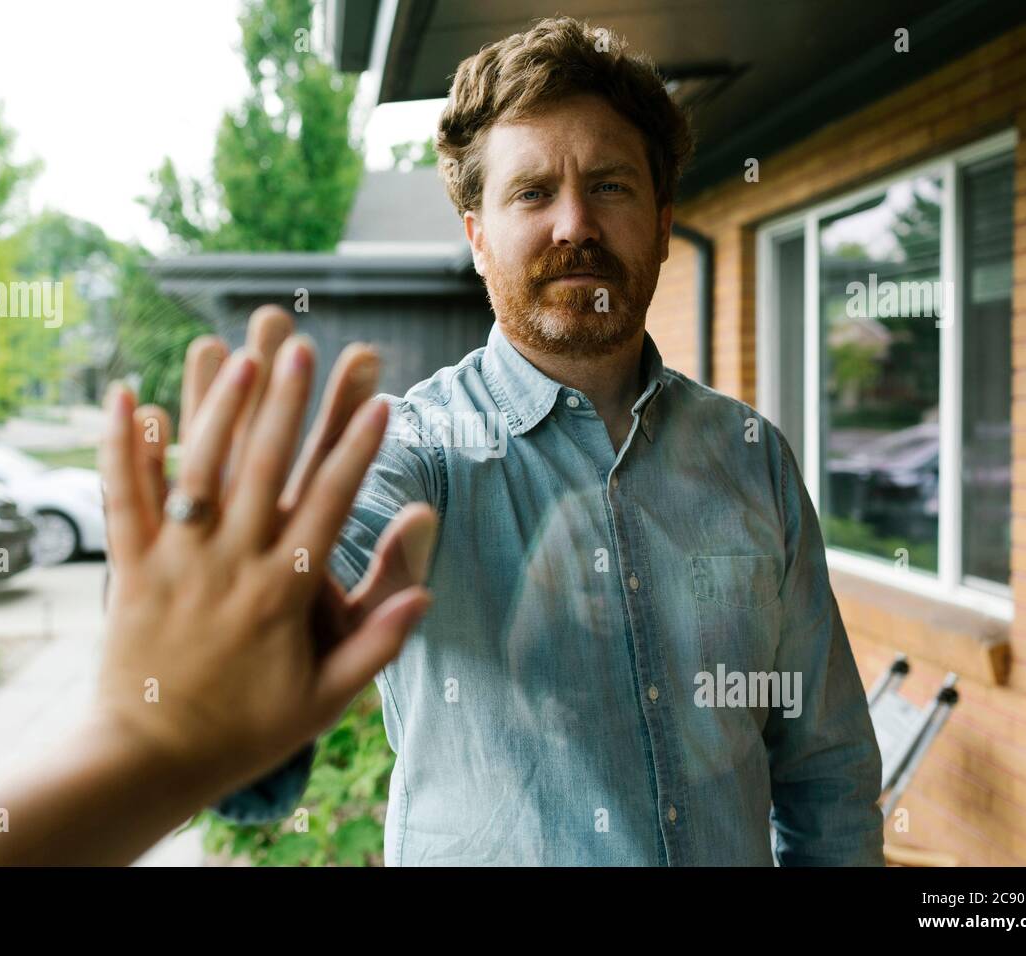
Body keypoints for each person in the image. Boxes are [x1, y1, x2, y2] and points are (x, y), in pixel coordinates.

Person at [205, 17, 886, 865]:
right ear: (477, 235)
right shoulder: (416, 453)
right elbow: (301, 605)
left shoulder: (754, 459)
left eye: (610, 186)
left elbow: (828, 773)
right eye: (532, 193)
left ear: (664, 220)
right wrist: (245, 653)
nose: (575, 225)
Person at [0, 337, 437, 866]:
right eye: (528, 193)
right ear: (474, 233)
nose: (544, 223)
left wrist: (157, 741)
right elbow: (323, 554)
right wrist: (165, 735)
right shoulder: (428, 438)